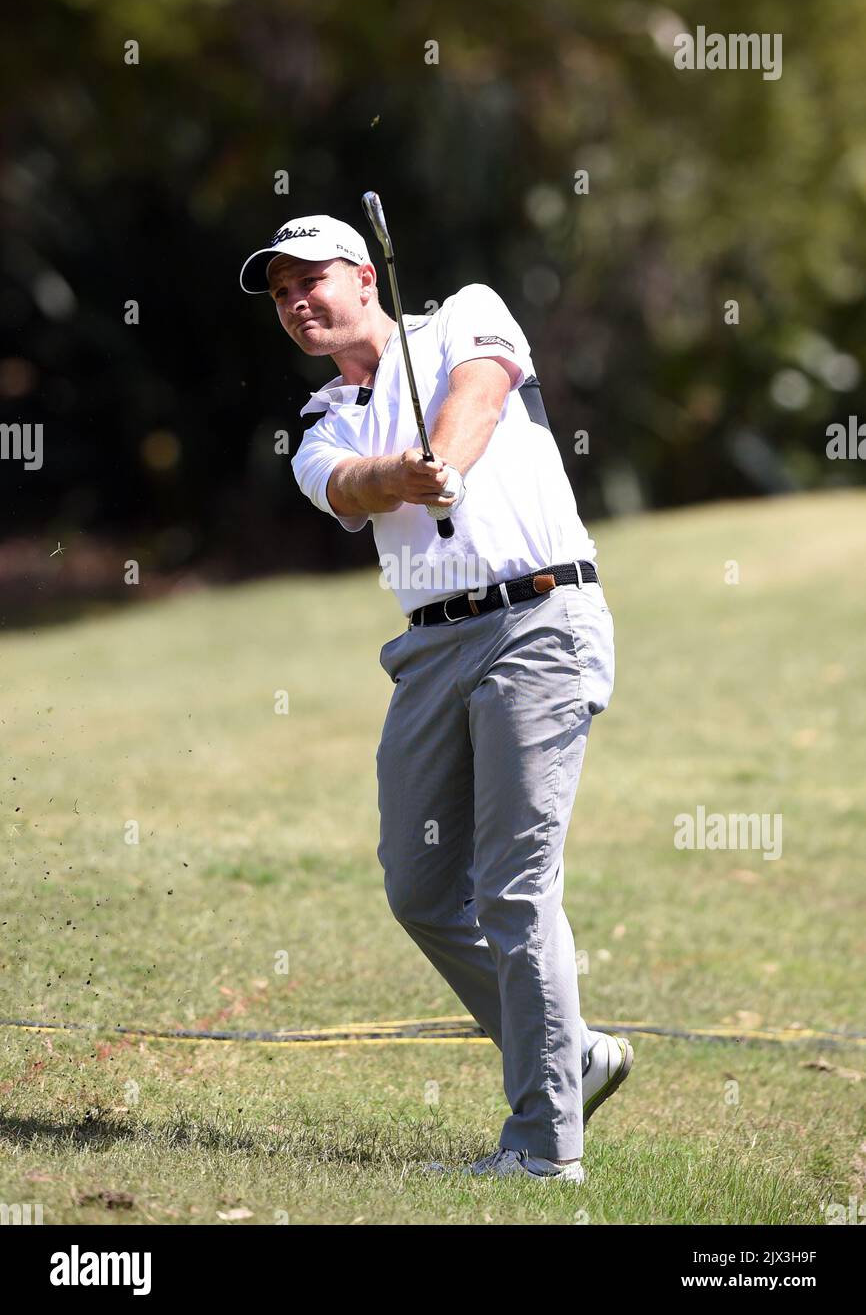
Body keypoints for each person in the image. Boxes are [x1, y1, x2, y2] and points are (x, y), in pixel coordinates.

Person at [240, 213, 633, 1183]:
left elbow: (481, 394)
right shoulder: (318, 417)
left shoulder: (466, 313)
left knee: (511, 887)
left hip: (536, 621)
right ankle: (571, 1054)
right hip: (427, 651)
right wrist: (404, 476)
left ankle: (544, 1147)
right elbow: (352, 485)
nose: (297, 303)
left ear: (364, 275)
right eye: (281, 293)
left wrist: (444, 460)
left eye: (310, 281)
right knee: (420, 890)